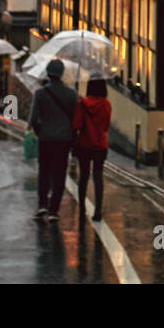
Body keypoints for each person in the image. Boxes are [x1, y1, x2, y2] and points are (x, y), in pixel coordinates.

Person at [28, 60, 77, 222]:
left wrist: (39, 131)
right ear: (62, 74)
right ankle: (54, 210)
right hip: (64, 139)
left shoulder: (40, 94)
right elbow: (75, 119)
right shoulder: (71, 94)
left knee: (44, 171)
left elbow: (34, 118)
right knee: (59, 173)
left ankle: (42, 204)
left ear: (48, 74)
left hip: (46, 139)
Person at [72, 78, 112, 222]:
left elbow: (76, 124)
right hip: (100, 144)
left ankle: (82, 207)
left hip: (84, 144)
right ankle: (98, 210)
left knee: (83, 175)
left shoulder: (82, 104)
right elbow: (106, 126)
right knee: (98, 175)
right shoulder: (106, 104)